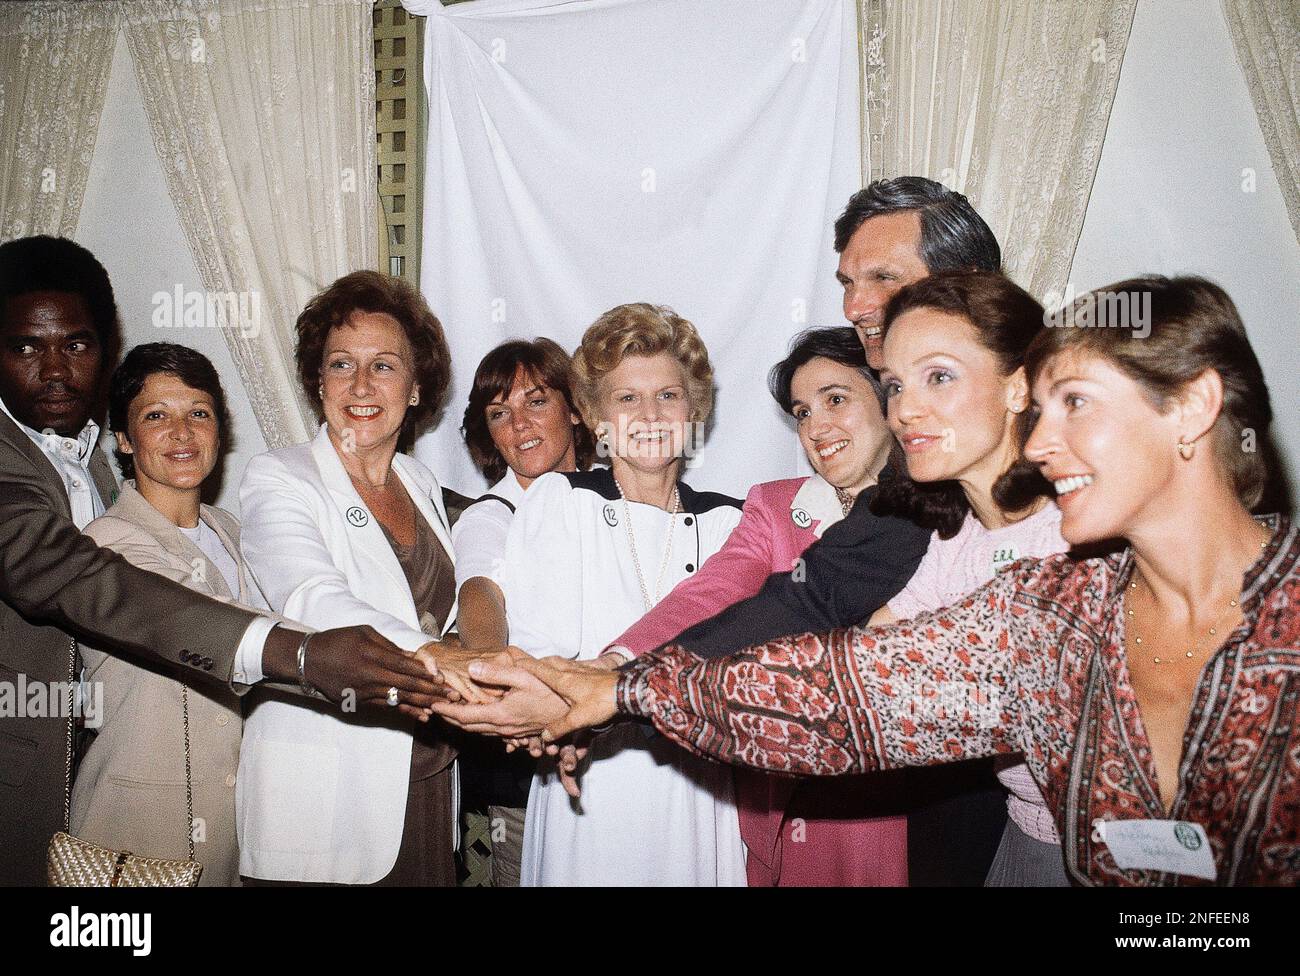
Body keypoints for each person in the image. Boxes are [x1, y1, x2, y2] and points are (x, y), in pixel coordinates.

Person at [497, 275, 1297, 887]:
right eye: (896, 385)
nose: (1043, 440)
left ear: (1193, 408)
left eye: (1073, 404)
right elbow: (847, 689)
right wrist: (620, 693)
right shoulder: (1039, 606)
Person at [0, 237, 445, 886]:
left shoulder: (198, 513)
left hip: (228, 824)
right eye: (25, 347)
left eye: (76, 345)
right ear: (130, 436)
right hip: (115, 823)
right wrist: (300, 654)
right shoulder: (107, 531)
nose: (55, 369)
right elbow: (95, 584)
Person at [607, 327, 923, 886]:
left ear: (889, 400)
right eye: (803, 412)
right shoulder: (776, 509)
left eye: (836, 399)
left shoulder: (944, 511)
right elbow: (708, 595)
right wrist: (611, 668)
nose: (817, 427)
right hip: (792, 803)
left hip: (907, 811)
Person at [486, 302, 748, 885]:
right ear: (596, 418)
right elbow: (547, 667)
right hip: (591, 786)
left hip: (698, 792)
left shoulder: (734, 525)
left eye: (668, 396)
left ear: (694, 408)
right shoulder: (561, 502)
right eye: (627, 399)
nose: (649, 414)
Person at [237, 270, 477, 886]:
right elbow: (314, 599)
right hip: (327, 802)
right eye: (341, 365)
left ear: (416, 387)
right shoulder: (279, 477)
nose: (362, 386)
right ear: (318, 382)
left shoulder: (421, 485)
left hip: (426, 781)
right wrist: (446, 662)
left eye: (384, 366)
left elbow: (454, 616)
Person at [867, 272, 1069, 885]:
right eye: (895, 385)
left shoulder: (1080, 530)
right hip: (1029, 832)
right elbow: (870, 660)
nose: (904, 410)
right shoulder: (958, 538)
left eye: (939, 376)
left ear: (1018, 388)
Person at [72, 343, 272, 886]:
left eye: (198, 413)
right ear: (123, 438)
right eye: (156, 416)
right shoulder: (104, 544)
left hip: (237, 833)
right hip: (139, 834)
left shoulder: (232, 531)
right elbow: (212, 625)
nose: (182, 435)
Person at [451, 337, 594, 886]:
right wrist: (492, 671)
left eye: (536, 401)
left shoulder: (621, 497)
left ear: (575, 408)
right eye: (498, 413)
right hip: (527, 774)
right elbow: (480, 593)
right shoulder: (492, 514)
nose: (518, 425)